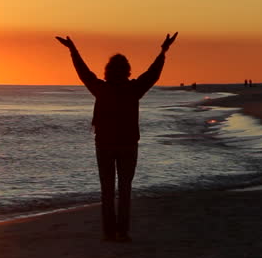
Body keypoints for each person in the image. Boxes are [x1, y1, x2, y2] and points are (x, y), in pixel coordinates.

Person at [56, 32, 177, 242]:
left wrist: (73, 50)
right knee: (124, 189)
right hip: (127, 144)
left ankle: (109, 232)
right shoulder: (133, 89)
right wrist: (163, 51)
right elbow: (153, 74)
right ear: (127, 70)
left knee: (108, 189)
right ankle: (122, 232)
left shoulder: (101, 89)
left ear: (108, 71)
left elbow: (83, 72)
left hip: (105, 144)